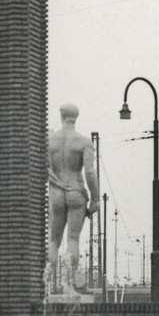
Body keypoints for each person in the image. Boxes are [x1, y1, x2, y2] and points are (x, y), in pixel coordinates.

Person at [46, 104, 100, 294]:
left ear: (61, 115)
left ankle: (46, 284)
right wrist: (95, 199)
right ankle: (68, 285)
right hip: (76, 191)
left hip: (56, 193)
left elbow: (45, 168)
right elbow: (90, 172)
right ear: (76, 117)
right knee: (73, 239)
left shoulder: (49, 141)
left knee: (54, 240)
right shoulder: (84, 142)